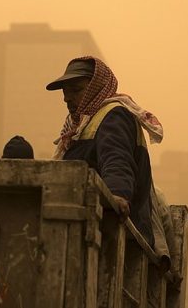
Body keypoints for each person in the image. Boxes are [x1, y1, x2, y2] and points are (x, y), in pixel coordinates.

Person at [46, 55, 165, 249]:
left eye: (75, 90)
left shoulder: (113, 116)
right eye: (65, 93)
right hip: (89, 230)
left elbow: (117, 160)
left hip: (115, 236)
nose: (67, 98)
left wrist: (116, 195)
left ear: (97, 88)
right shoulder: (80, 126)